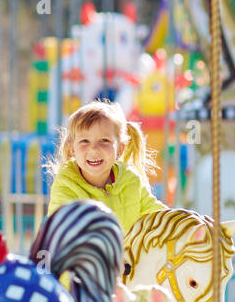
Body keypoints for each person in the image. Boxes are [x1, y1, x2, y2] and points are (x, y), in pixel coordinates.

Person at [46, 99, 165, 232]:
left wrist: (186, 226)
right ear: (73, 149)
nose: (94, 149)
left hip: (126, 253)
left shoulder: (131, 181)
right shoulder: (66, 186)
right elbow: (62, 231)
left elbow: (158, 215)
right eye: (84, 141)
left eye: (104, 140)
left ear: (120, 149)